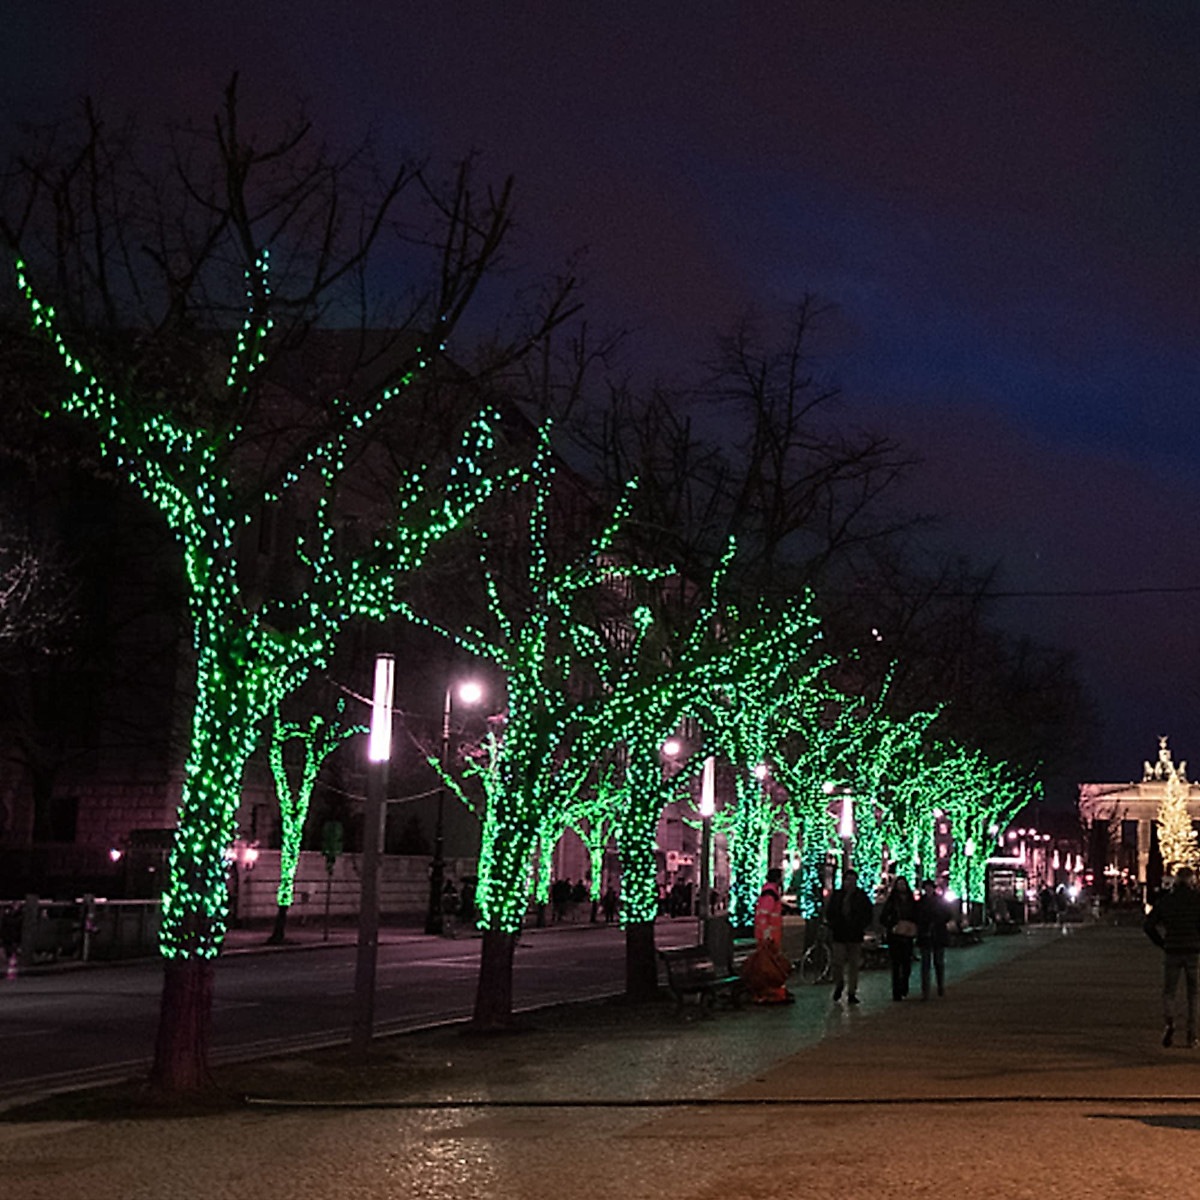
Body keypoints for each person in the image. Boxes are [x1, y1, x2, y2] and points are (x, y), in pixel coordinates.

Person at [1143, 865, 1200, 1047]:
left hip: (1172, 948)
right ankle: (1192, 1035)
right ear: (1192, 881)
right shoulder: (1197, 900)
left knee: (1169, 991)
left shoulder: (1167, 900)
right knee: (1193, 994)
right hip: (1193, 949)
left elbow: (1149, 925)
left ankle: (1170, 1022)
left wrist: (1161, 942)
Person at [743, 867, 794, 1004]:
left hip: (769, 936)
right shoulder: (771, 893)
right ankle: (771, 992)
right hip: (770, 937)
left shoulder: (769, 892)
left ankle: (772, 992)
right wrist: (767, 933)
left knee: (770, 965)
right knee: (769, 966)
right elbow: (763, 915)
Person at [825, 867, 874, 1005]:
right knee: (838, 962)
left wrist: (861, 925)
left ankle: (852, 992)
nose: (850, 883)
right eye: (848, 880)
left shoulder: (861, 896)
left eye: (852, 880)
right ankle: (839, 983)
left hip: (854, 935)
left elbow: (867, 913)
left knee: (853, 965)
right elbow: (830, 912)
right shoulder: (837, 895)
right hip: (839, 934)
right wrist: (833, 924)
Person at [881, 876, 918, 1001]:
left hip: (907, 935)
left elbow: (916, 915)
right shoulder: (892, 901)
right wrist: (892, 925)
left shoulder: (911, 901)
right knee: (896, 964)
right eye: (899, 884)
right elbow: (883, 917)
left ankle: (904, 984)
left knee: (906, 963)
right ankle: (896, 991)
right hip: (895, 936)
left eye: (903, 884)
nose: (901, 887)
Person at [916, 878, 953, 999]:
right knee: (926, 964)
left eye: (929, 888)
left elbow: (948, 915)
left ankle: (940, 986)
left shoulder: (939, 902)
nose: (928, 890)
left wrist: (937, 922)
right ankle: (925, 990)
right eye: (926, 888)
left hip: (937, 934)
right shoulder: (921, 903)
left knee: (938, 962)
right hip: (926, 935)